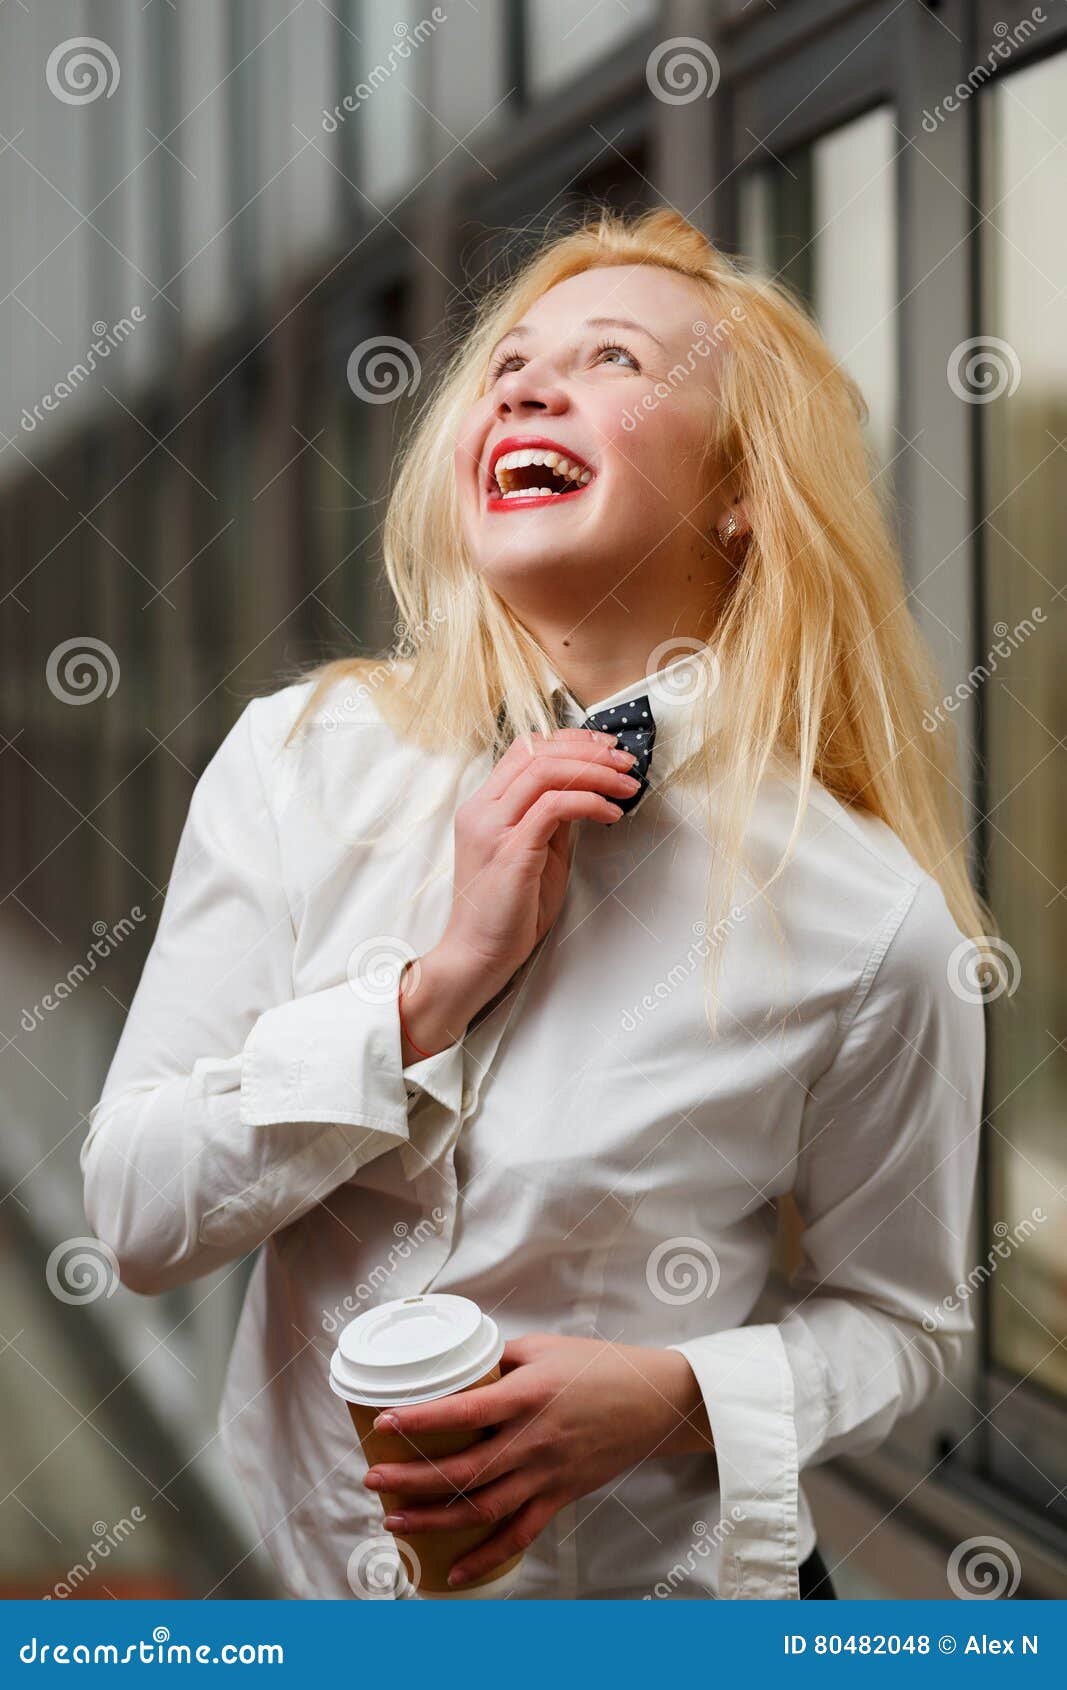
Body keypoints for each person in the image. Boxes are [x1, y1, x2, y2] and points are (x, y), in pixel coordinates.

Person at [81, 207, 987, 1600]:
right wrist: (428, 991)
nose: (524, 383)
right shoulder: (298, 762)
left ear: (744, 484)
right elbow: (136, 1214)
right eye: (506, 363)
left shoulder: (873, 923)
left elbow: (907, 1324)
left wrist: (676, 1393)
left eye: (613, 358)